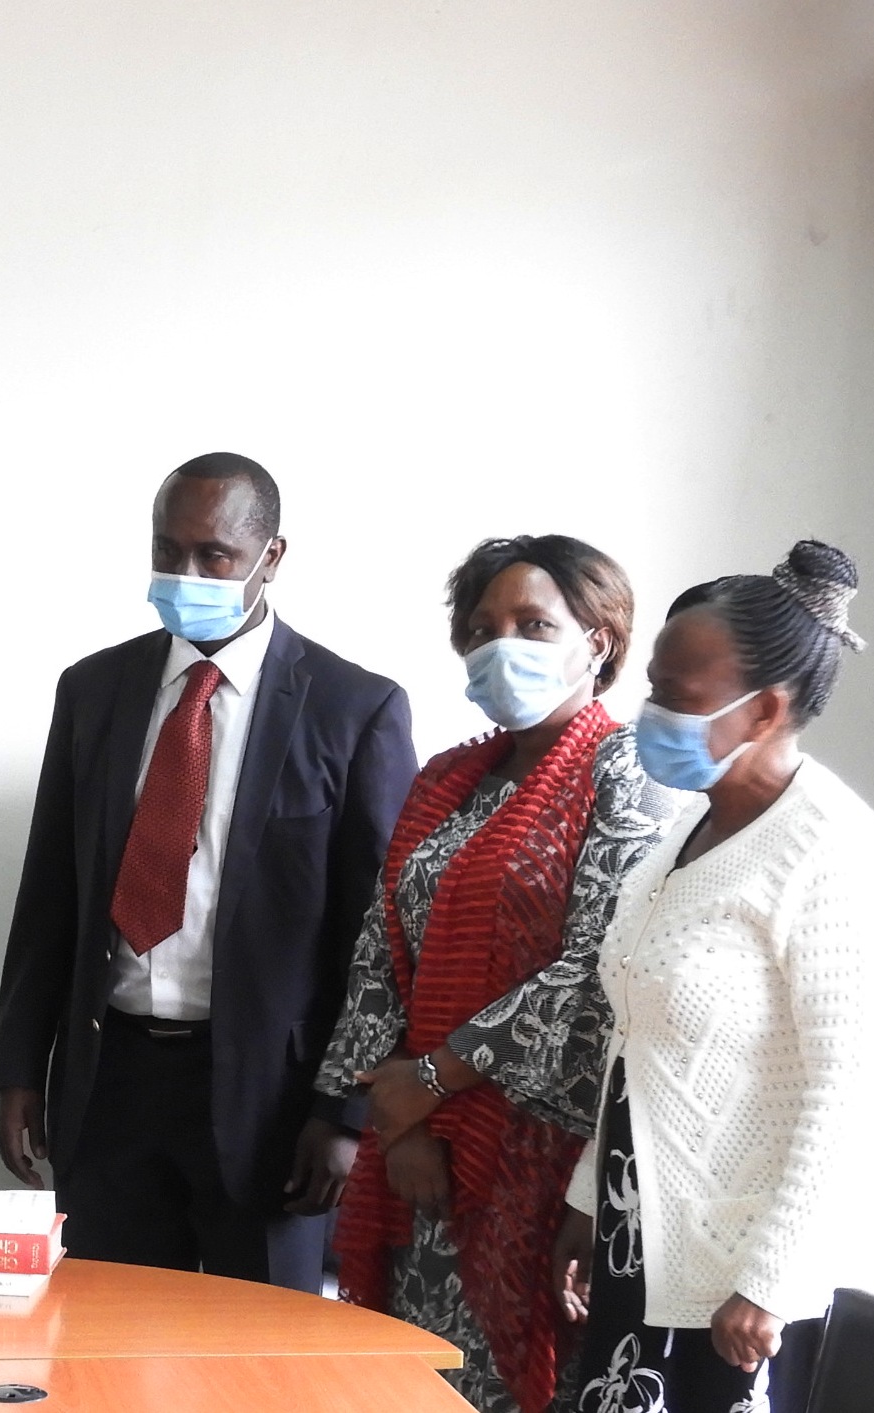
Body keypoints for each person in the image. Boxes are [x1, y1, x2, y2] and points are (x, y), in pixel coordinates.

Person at [0, 453, 416, 1293]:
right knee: (108, 1344)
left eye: (213, 555)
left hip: (271, 1100)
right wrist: (16, 1069)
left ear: (271, 556)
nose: (185, 574)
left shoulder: (353, 709)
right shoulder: (95, 689)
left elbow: (379, 939)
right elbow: (50, 894)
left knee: (258, 1361)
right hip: (111, 1079)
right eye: (167, 549)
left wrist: (344, 1113)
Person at [553, 541, 874, 1413]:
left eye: (678, 696)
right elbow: (637, 1037)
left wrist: (774, 1278)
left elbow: (856, 1095)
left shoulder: (837, 858)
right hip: (647, 1234)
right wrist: (587, 1196)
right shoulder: (688, 830)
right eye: (654, 685)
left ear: (765, 710)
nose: (651, 711)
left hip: (756, 1279)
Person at [316, 535, 678, 1413]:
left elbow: (600, 967)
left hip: (540, 1165)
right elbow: (380, 950)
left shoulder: (628, 772)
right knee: (413, 1382)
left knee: (520, 1384)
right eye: (481, 628)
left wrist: (429, 1082)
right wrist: (397, 1121)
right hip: (418, 1164)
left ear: (597, 639)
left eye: (532, 622)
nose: (499, 643)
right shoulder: (448, 779)